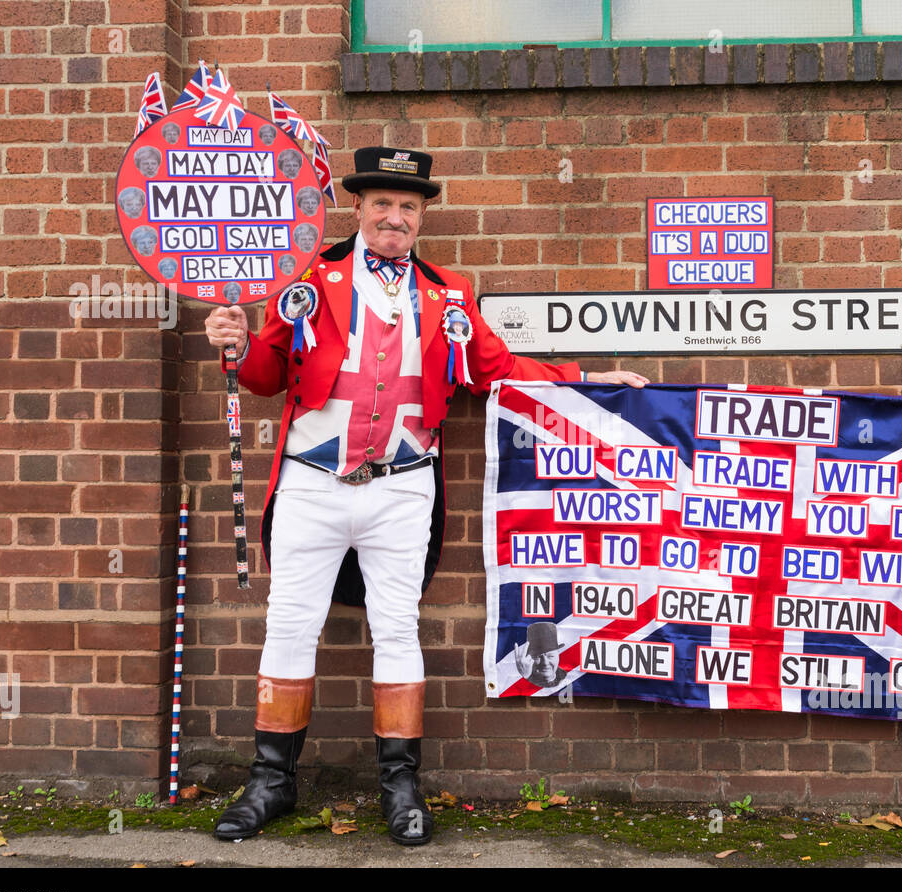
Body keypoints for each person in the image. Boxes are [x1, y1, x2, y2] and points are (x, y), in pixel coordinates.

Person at [204, 146, 647, 846]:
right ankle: (270, 782)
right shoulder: (307, 276)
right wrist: (232, 341)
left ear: (421, 217)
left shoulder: (449, 294)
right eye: (382, 203)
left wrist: (588, 380)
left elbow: (497, 371)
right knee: (288, 624)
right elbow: (265, 375)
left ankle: (401, 788)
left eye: (408, 207)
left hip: (402, 486)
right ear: (357, 208)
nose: (395, 217)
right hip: (311, 483)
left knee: (398, 628)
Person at [515, 622, 569, 689]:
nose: (545, 663)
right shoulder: (522, 676)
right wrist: (526, 677)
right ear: (528, 658)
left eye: (551, 656)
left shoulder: (568, 678)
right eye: (537, 657)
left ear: (558, 655)